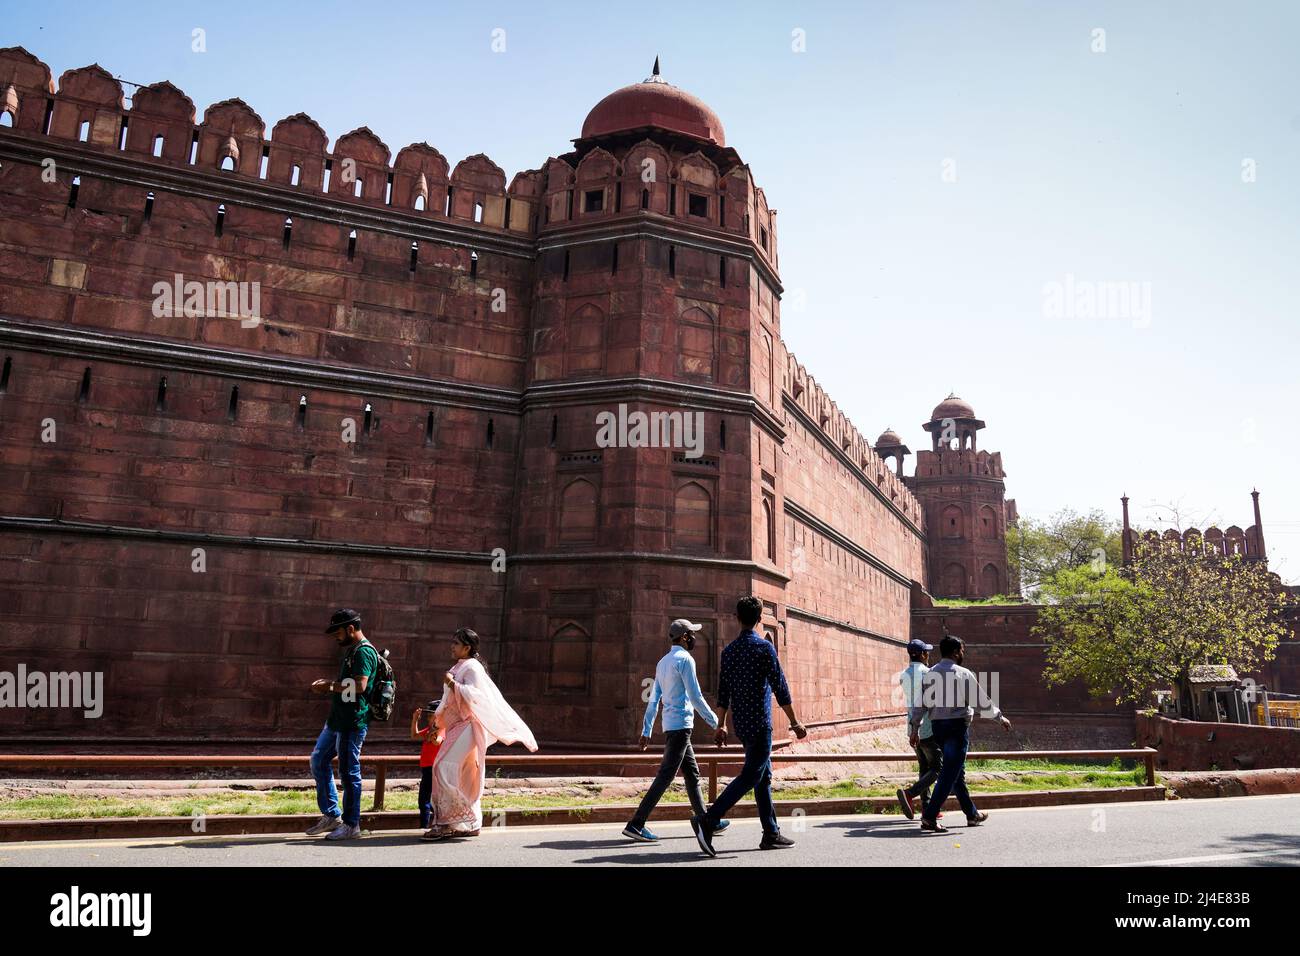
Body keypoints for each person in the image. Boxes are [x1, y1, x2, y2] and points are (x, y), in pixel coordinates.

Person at [691, 596, 807, 857]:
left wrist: (719, 726)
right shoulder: (764, 649)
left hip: (740, 724)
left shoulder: (729, 652)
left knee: (763, 777)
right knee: (753, 775)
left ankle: (771, 833)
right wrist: (795, 722)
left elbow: (723, 694)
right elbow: (781, 688)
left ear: (737, 618)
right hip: (760, 723)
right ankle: (709, 819)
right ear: (758, 620)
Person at [421, 627, 538, 840]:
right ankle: (469, 822)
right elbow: (447, 702)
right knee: (463, 774)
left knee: (441, 767)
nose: (452, 646)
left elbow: (476, 696)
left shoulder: (472, 667)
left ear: (467, 647)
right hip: (457, 726)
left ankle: (446, 823)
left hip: (468, 725)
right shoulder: (459, 666)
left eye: (456, 643)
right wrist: (437, 724)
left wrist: (452, 683)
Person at [623, 619, 730, 843]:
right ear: (683, 637)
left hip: (673, 726)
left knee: (692, 775)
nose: (694, 638)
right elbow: (696, 696)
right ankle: (636, 823)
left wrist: (647, 729)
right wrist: (716, 724)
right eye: (692, 634)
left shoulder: (662, 662)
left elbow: (654, 700)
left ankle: (707, 820)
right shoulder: (685, 660)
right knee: (665, 776)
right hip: (681, 726)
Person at [917, 634, 1013, 833]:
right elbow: (980, 701)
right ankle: (929, 816)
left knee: (956, 773)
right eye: (961, 650)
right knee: (949, 773)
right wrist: (999, 717)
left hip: (938, 729)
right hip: (956, 728)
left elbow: (921, 704)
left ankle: (972, 814)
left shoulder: (930, 674)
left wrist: (913, 728)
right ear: (955, 652)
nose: (962, 654)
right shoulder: (963, 673)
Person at [306, 608, 379, 841]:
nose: (335, 637)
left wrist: (329, 686)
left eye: (337, 632)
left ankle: (351, 824)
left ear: (350, 629)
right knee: (319, 760)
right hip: (337, 720)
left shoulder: (364, 653)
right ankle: (332, 815)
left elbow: (361, 686)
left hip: (352, 722)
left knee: (349, 773)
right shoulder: (352, 651)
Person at [896, 638, 942, 820]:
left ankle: (928, 808)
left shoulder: (903, 675)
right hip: (928, 727)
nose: (928, 655)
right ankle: (910, 793)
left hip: (912, 727)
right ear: (922, 654)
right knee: (938, 767)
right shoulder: (929, 674)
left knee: (924, 768)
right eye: (927, 652)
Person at [411, 699, 442, 830]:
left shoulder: (441, 730)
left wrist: (434, 733)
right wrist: (415, 720)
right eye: (428, 716)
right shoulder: (428, 730)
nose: (429, 719)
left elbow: (437, 741)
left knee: (429, 799)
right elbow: (414, 736)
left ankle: (433, 825)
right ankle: (425, 825)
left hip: (434, 769)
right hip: (426, 768)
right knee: (424, 800)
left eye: (431, 716)